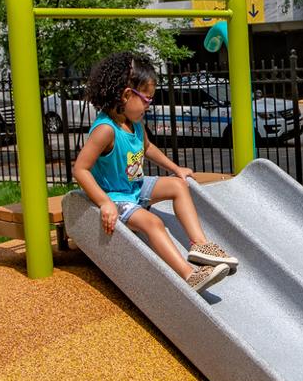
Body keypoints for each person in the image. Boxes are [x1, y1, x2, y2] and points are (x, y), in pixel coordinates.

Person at [72, 52, 238, 293]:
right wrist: (104, 203)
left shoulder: (134, 122)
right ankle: (189, 274)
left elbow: (147, 147)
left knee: (178, 186)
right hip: (117, 196)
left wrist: (175, 169)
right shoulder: (105, 131)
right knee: (153, 223)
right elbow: (80, 169)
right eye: (147, 100)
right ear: (127, 95)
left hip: (134, 187)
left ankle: (200, 246)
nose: (150, 105)